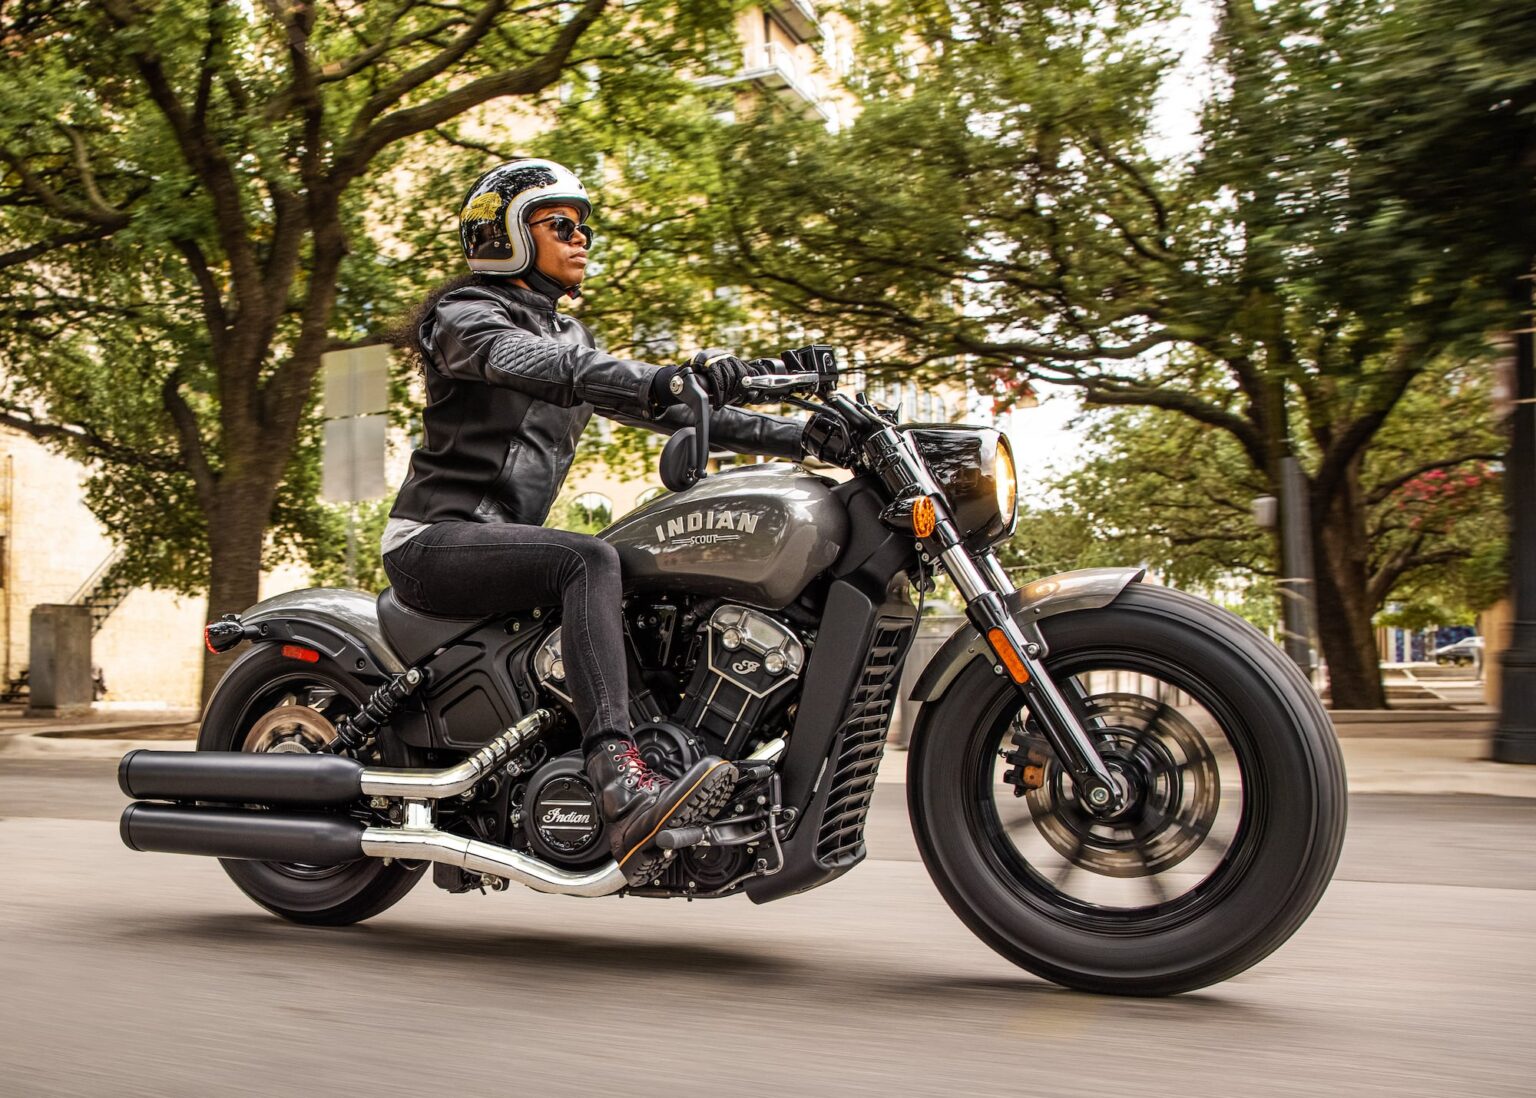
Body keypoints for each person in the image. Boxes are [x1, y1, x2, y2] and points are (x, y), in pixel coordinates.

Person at [383, 159, 847, 885]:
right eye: (560, 225)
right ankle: (619, 781)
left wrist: (809, 437)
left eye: (584, 228)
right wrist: (664, 376)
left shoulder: (568, 335)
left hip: (499, 543)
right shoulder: (465, 316)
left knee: (632, 573)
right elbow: (529, 361)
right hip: (433, 543)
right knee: (588, 558)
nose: (581, 239)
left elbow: (674, 407)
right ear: (504, 234)